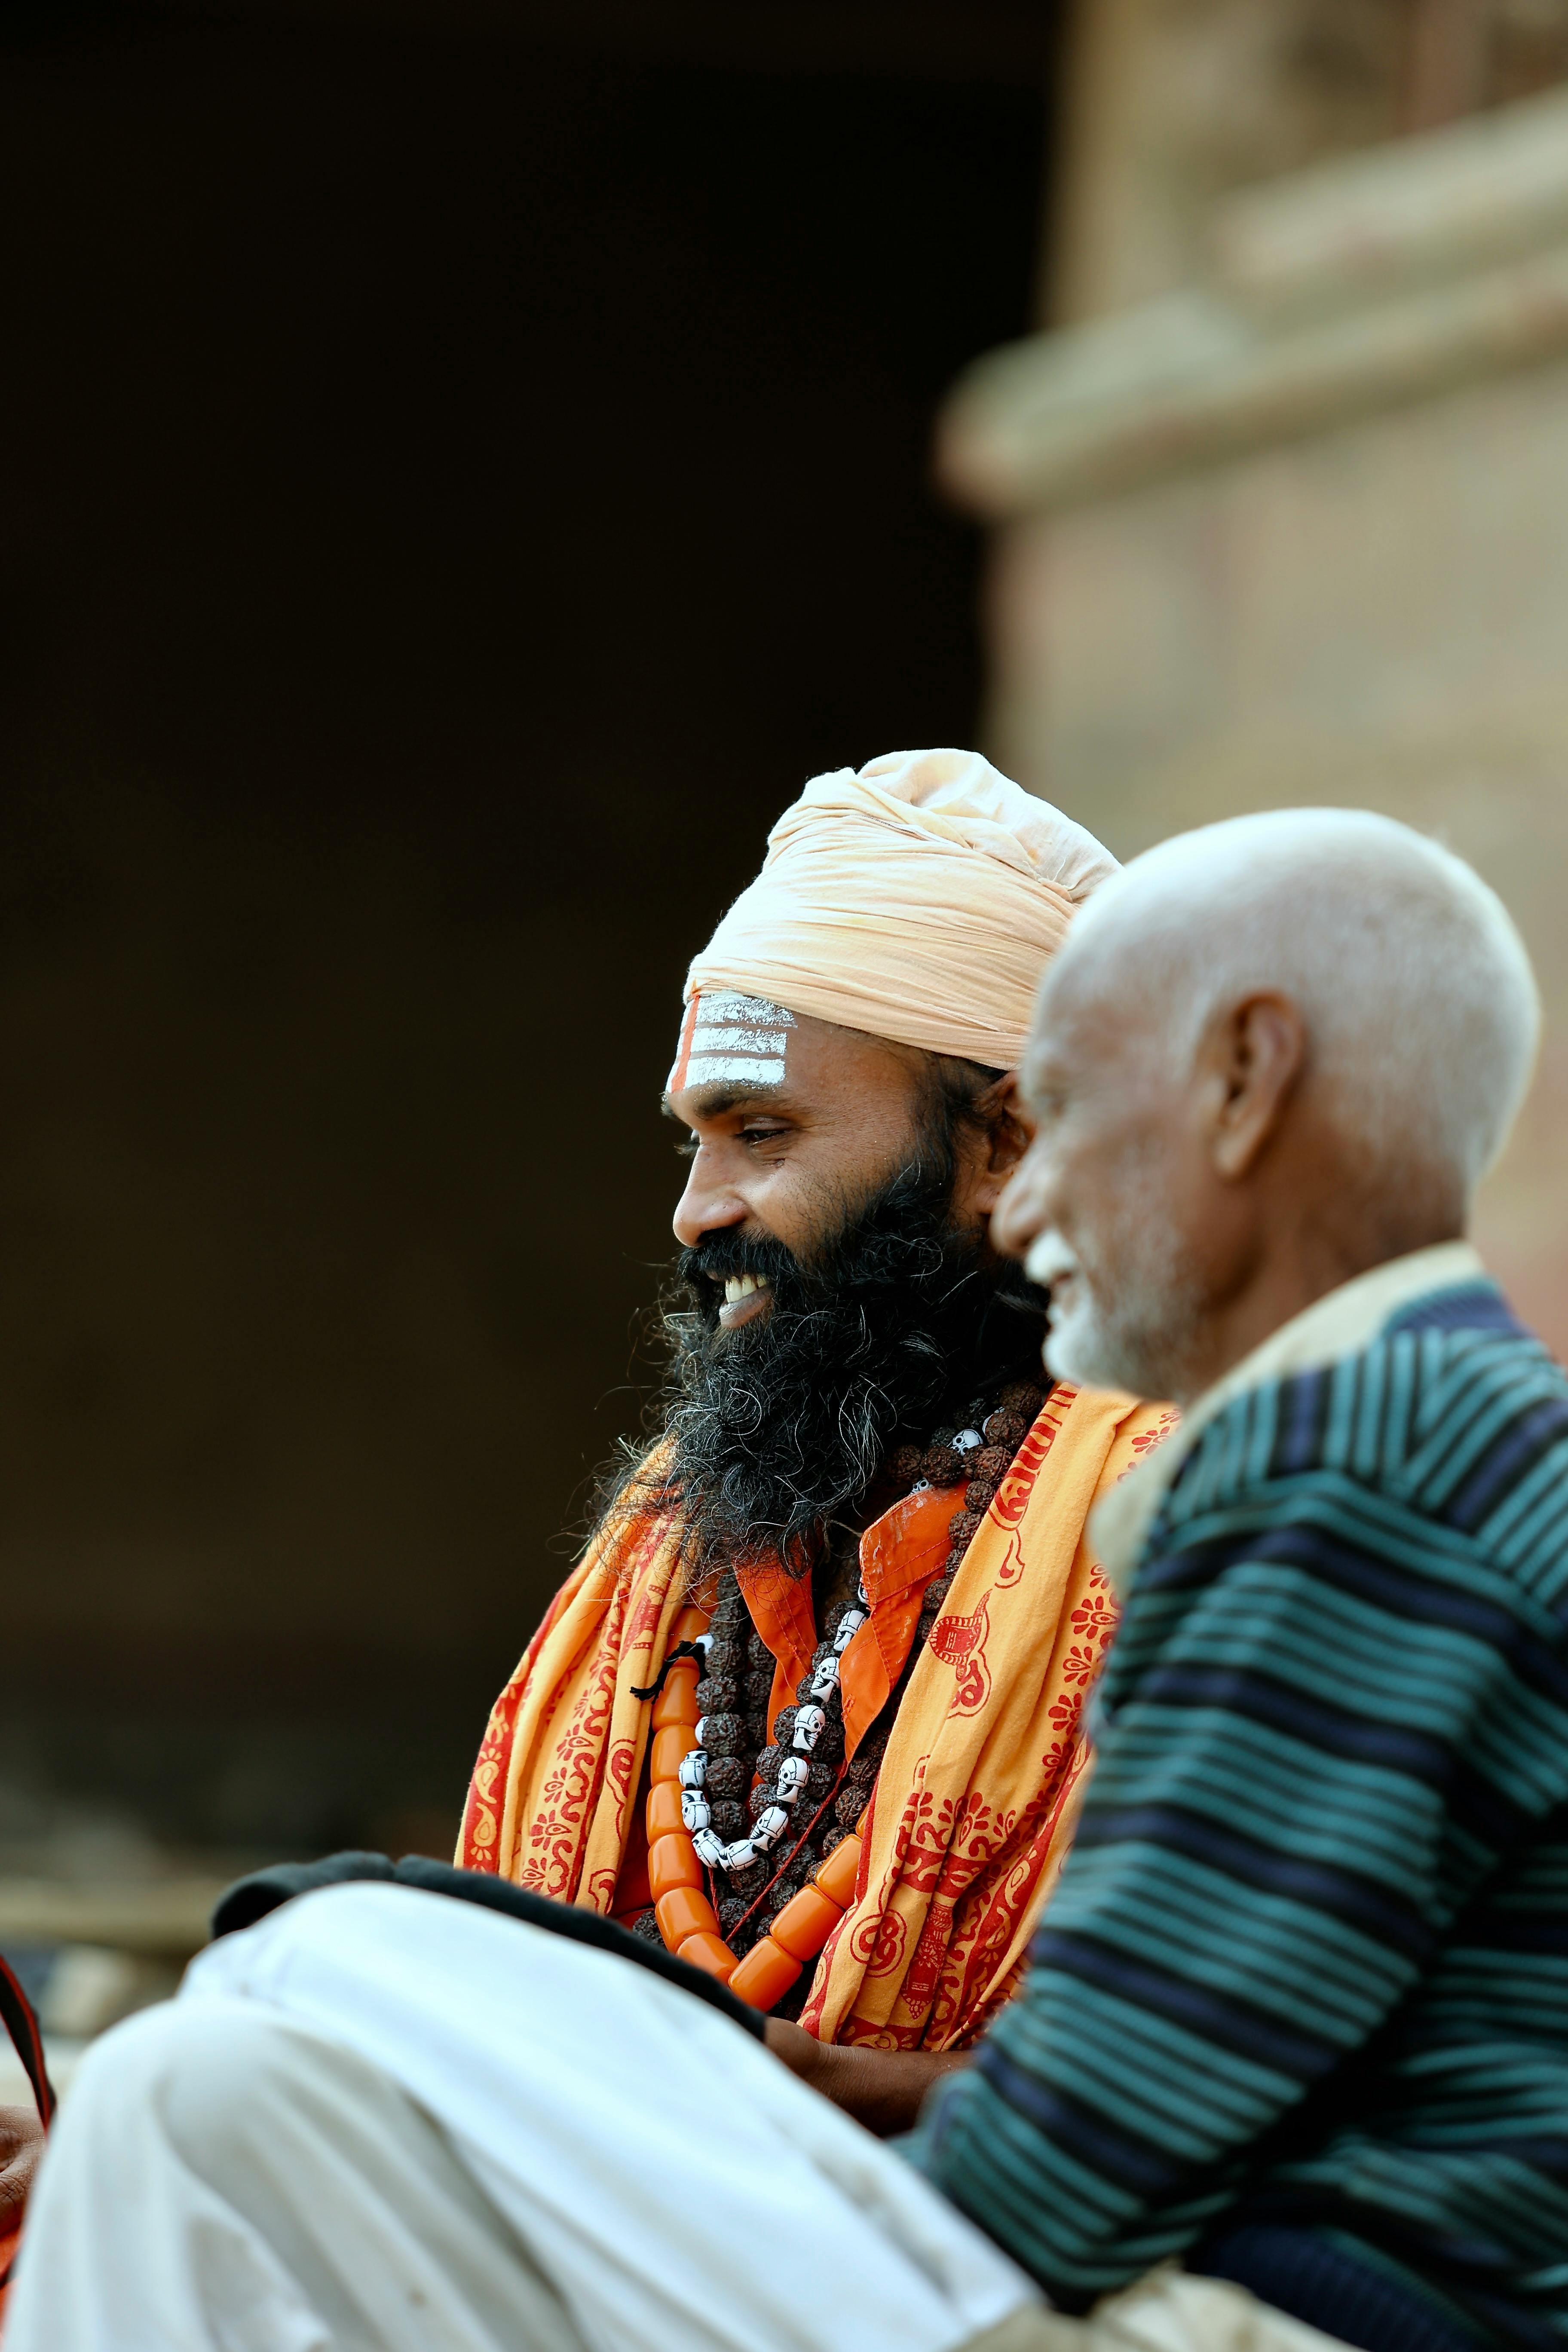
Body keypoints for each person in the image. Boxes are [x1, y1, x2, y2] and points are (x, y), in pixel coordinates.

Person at [18, 801, 1550, 2352]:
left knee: (305, 1974)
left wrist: (691, 2090)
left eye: (1070, 1117)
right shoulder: (1413, 1435)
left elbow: (1064, 2183)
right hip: (1064, 2266)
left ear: (1239, 1085)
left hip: (1211, 2316)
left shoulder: (1344, 1466)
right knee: (195, 2090)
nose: (1036, 1199)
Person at [456, 746, 1172, 2125]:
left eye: (764, 1135)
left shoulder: (1185, 1517)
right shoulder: (685, 1533)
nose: (697, 1211)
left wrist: (831, 2099)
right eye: (694, 1144)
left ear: (1005, 1145)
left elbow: (1251, 2115)